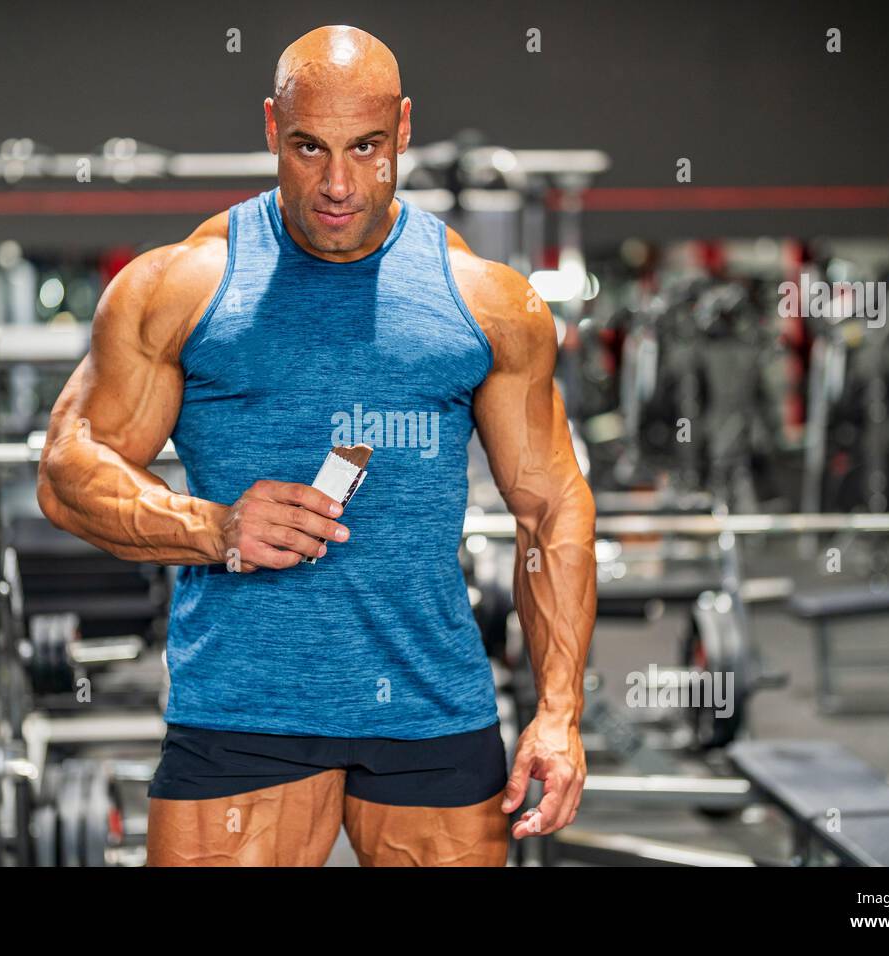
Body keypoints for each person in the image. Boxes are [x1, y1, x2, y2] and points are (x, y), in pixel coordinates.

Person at [38, 24, 596, 866]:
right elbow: (67, 468)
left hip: (429, 705)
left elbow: (551, 507)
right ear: (271, 128)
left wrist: (558, 713)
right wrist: (215, 529)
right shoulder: (184, 285)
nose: (337, 183)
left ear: (404, 130)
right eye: (308, 148)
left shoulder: (487, 301)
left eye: (366, 147)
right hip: (242, 711)